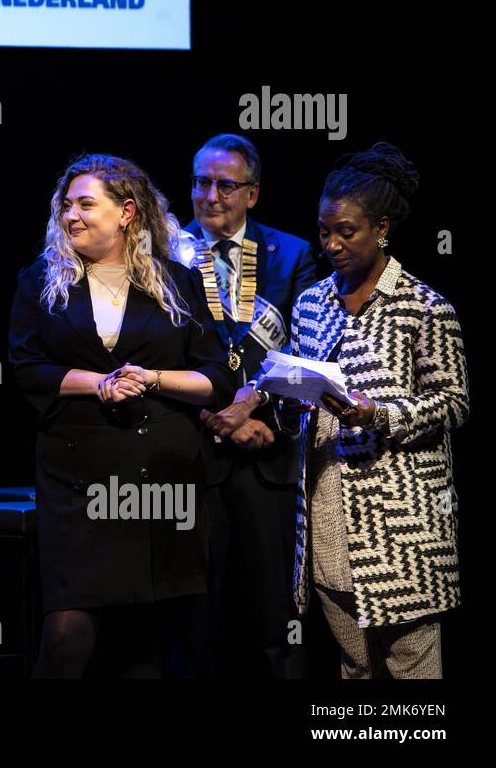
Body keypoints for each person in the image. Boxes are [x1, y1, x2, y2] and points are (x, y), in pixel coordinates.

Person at [9, 153, 234, 678]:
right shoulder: (40, 281)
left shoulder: (177, 282)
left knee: (143, 641)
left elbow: (218, 380)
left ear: (127, 212)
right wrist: (100, 384)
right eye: (66, 206)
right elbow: (26, 369)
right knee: (66, 630)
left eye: (86, 204)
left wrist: (153, 378)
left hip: (157, 473)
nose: (72, 216)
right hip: (75, 474)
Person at [275, 143, 465, 678]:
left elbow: (453, 405)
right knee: (354, 668)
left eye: (346, 231)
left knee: (411, 670)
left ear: (382, 228)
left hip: (402, 525)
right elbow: (302, 389)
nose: (331, 243)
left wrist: (377, 413)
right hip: (328, 509)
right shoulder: (312, 303)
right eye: (323, 231)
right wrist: (287, 409)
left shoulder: (424, 308)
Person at [177, 133, 319, 677]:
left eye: (225, 185)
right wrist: (218, 417)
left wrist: (252, 408)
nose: (210, 195)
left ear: (252, 194)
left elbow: (308, 350)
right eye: (200, 182)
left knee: (278, 621)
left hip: (267, 456)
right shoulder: (167, 253)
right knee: (195, 623)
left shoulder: (293, 253)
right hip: (195, 458)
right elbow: (161, 352)